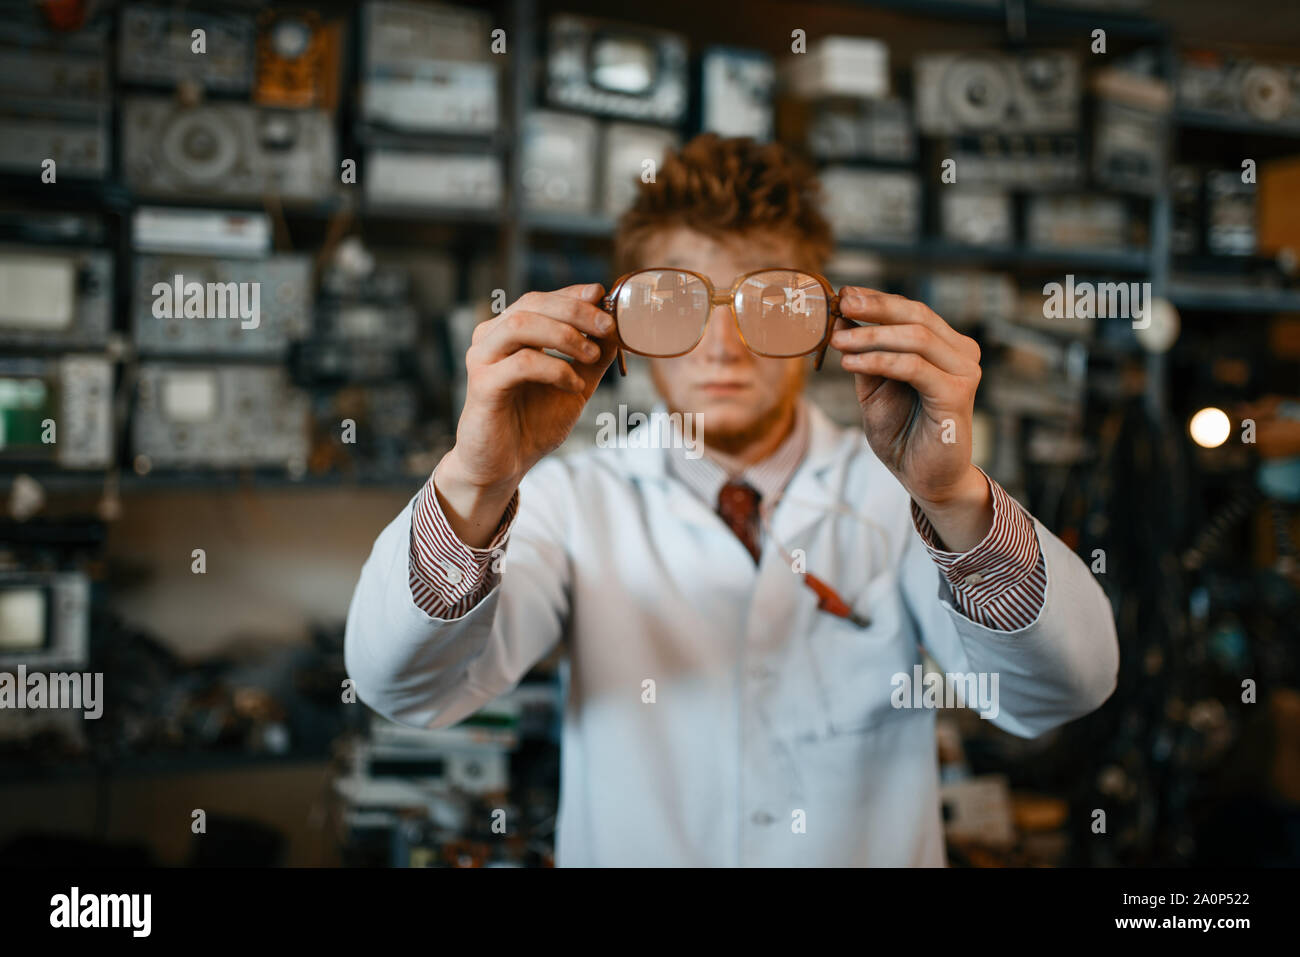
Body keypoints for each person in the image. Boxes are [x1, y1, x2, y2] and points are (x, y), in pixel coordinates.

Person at [344, 134, 1118, 866]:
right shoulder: (572, 498)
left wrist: (953, 495)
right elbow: (408, 688)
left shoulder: (902, 496)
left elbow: (1062, 687)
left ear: (824, 324)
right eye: (676, 301)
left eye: (771, 301)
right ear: (621, 324)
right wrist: (477, 478)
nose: (724, 344)